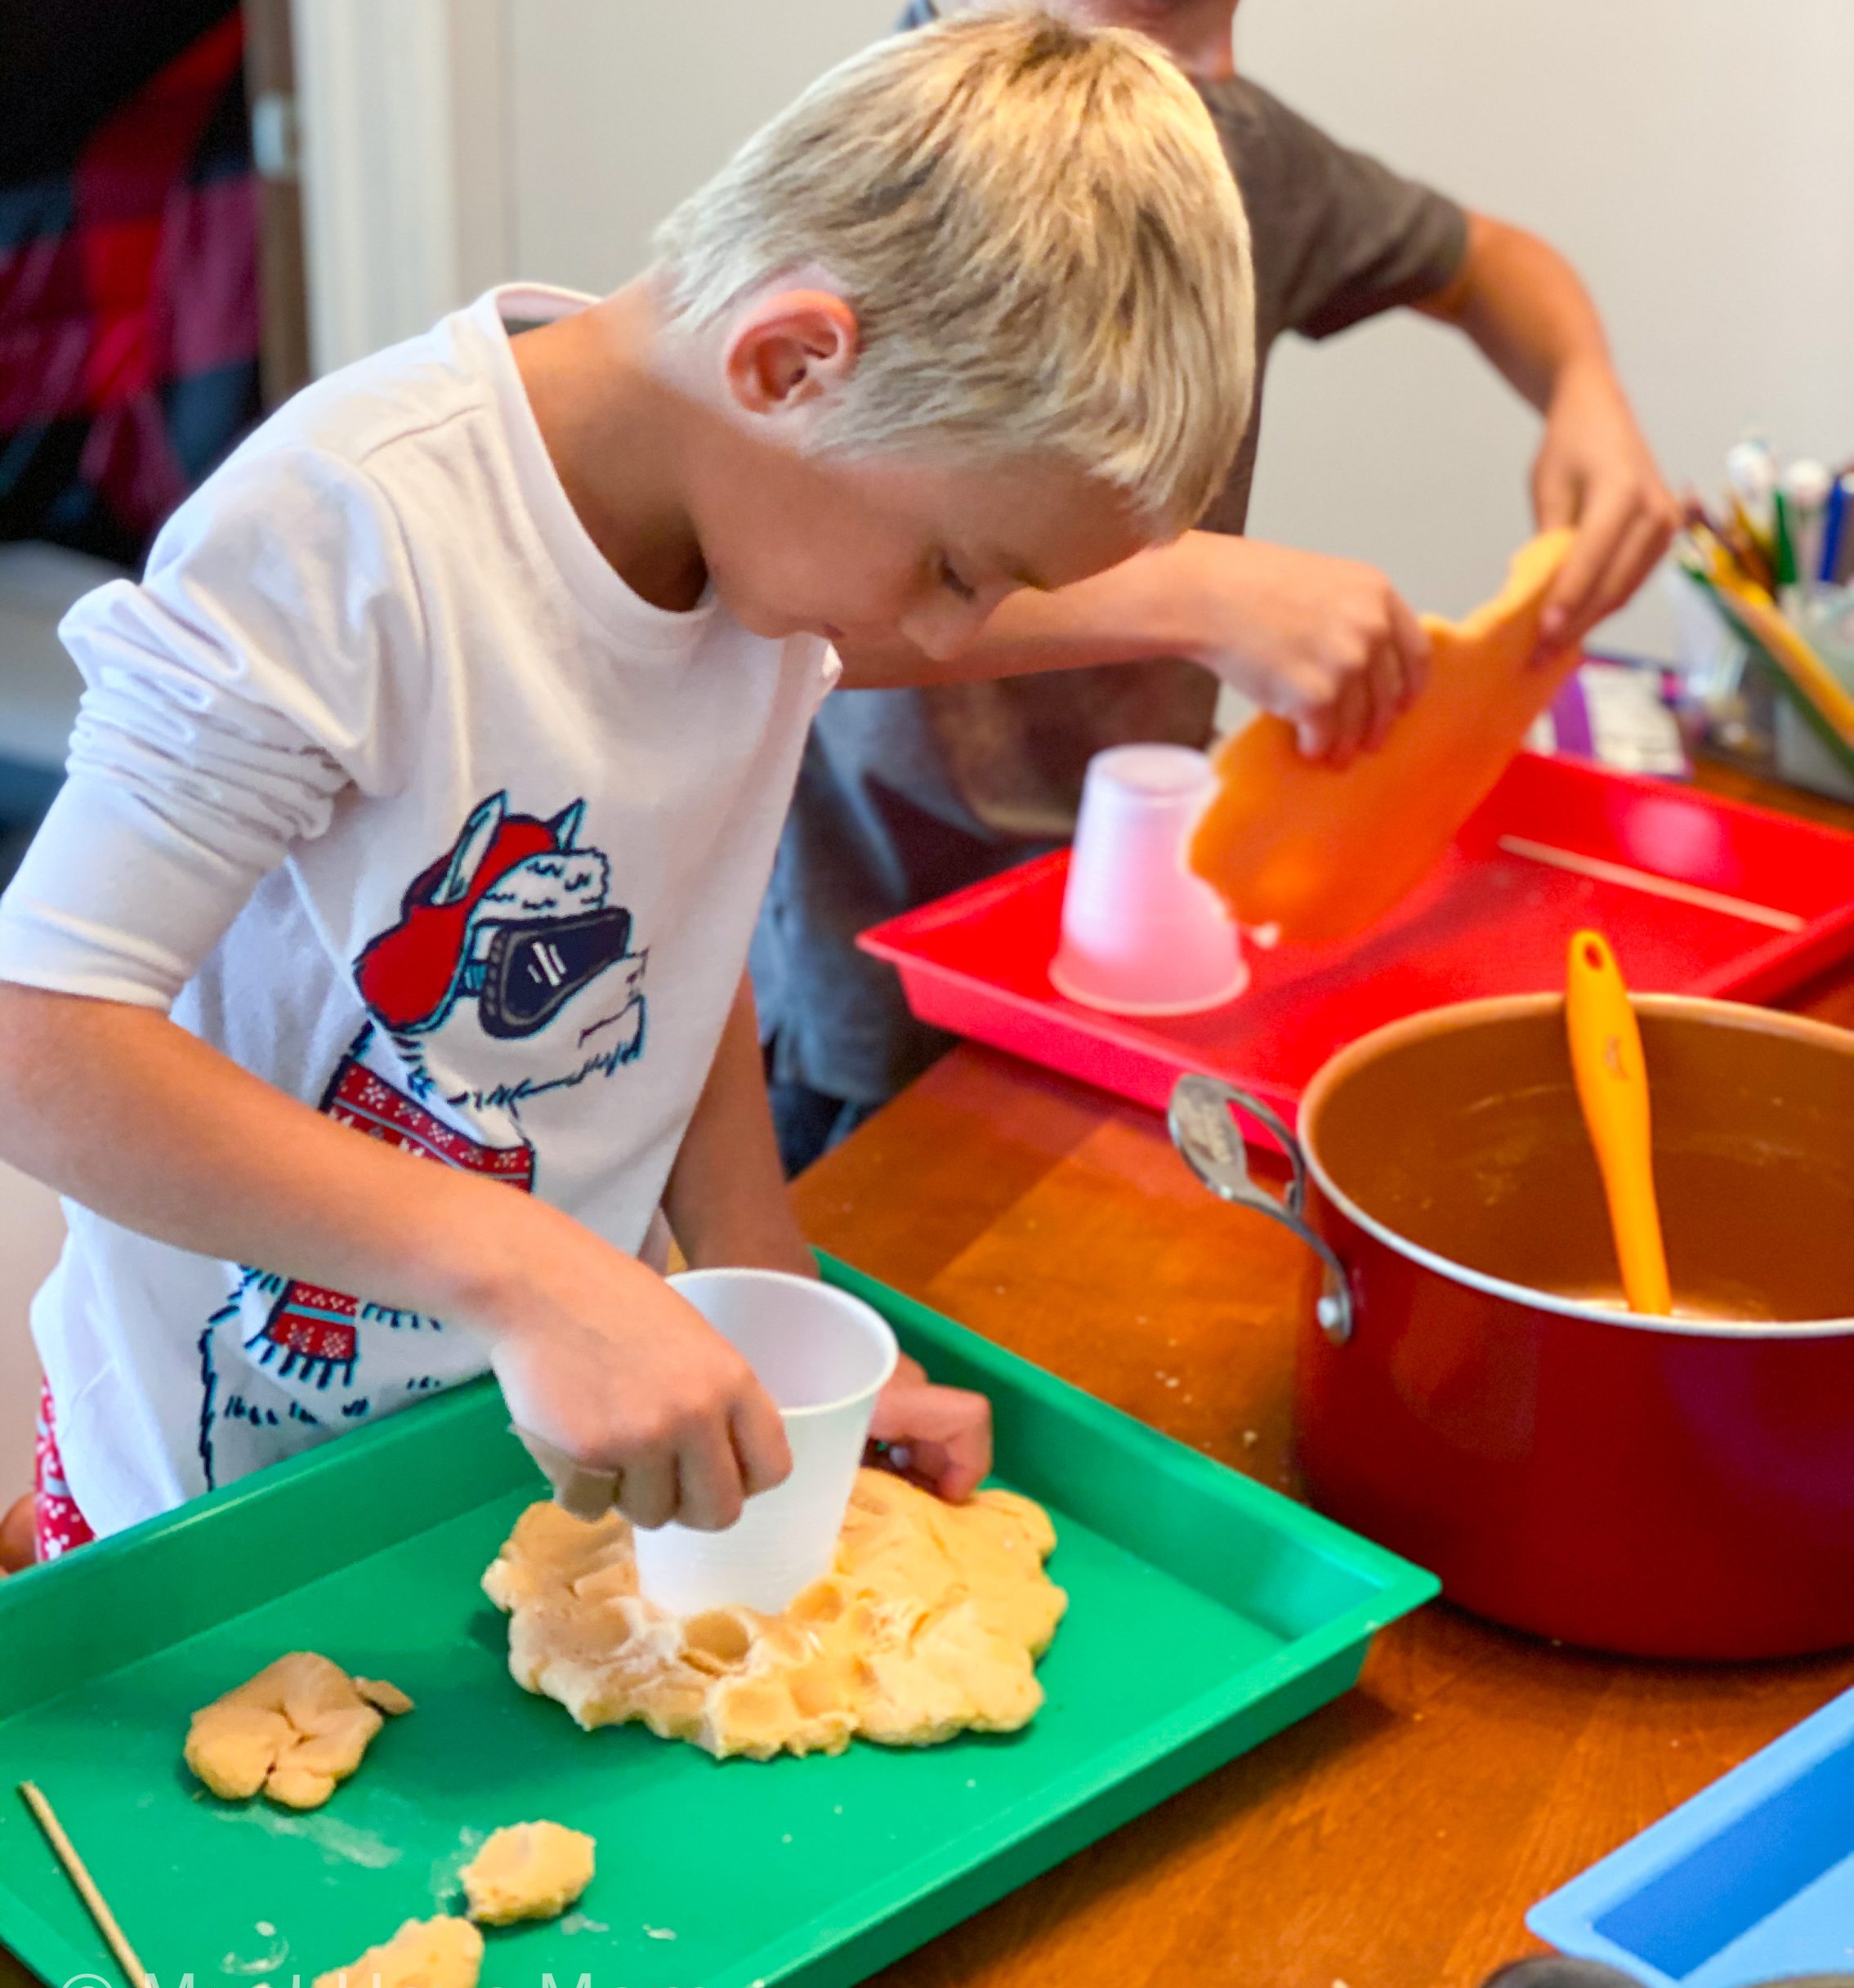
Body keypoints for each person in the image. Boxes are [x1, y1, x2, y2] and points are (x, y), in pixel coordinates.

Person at [0, 11, 1269, 1562]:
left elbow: (671, 942)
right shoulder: (349, 535)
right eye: (951, 569)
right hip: (214, 1488)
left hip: (520, 1439)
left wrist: (772, 1310)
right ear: (792, 362)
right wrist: (529, 1271)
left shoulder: (750, 553)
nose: (943, 642)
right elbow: (38, 1037)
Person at [753, 0, 1680, 1173]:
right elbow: (806, 607)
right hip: (878, 970)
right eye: (1161, 27)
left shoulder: (1228, 142)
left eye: (1223, 21)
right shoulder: (886, 163)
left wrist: (1582, 386)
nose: (1216, 75)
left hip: (1163, 936)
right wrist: (1196, 590)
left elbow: (1491, 261)